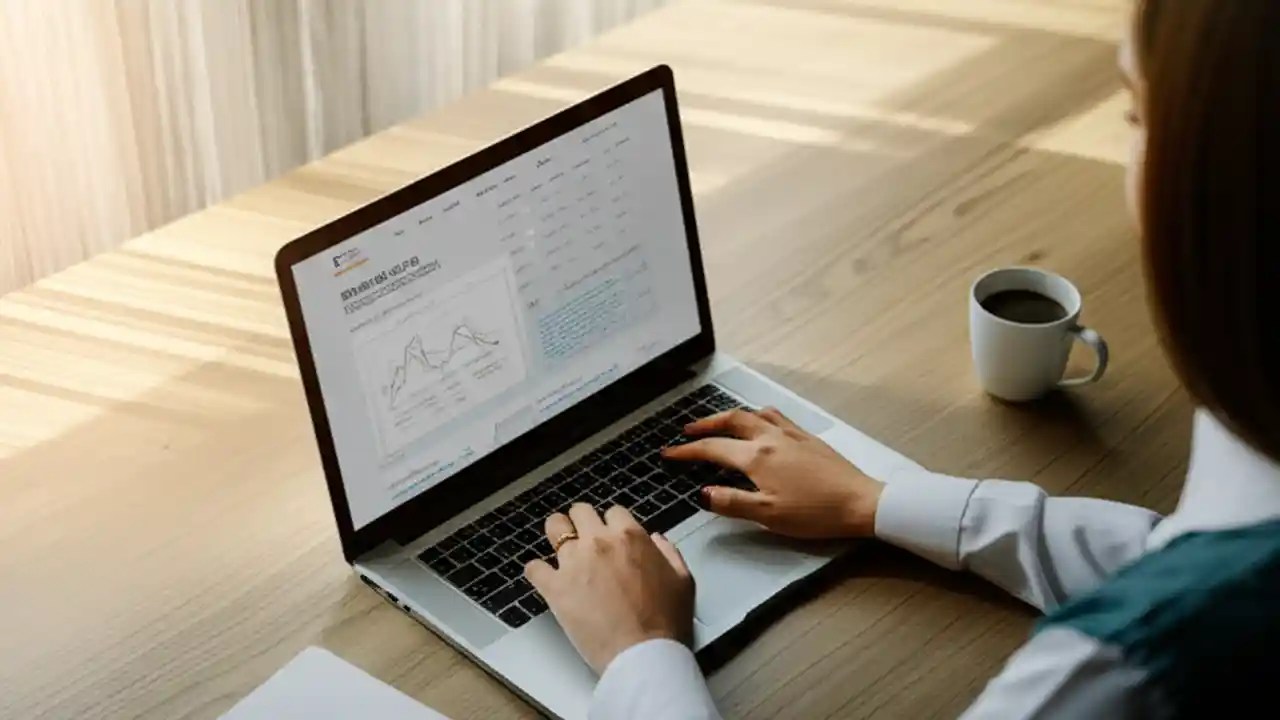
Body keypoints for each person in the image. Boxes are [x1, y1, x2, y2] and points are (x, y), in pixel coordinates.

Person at [522, 0, 1280, 717]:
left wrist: (639, 654)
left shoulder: (1119, 676)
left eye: (1136, 113)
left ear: (1217, 183)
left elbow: (1185, 588)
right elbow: (1171, 553)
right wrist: (878, 500)